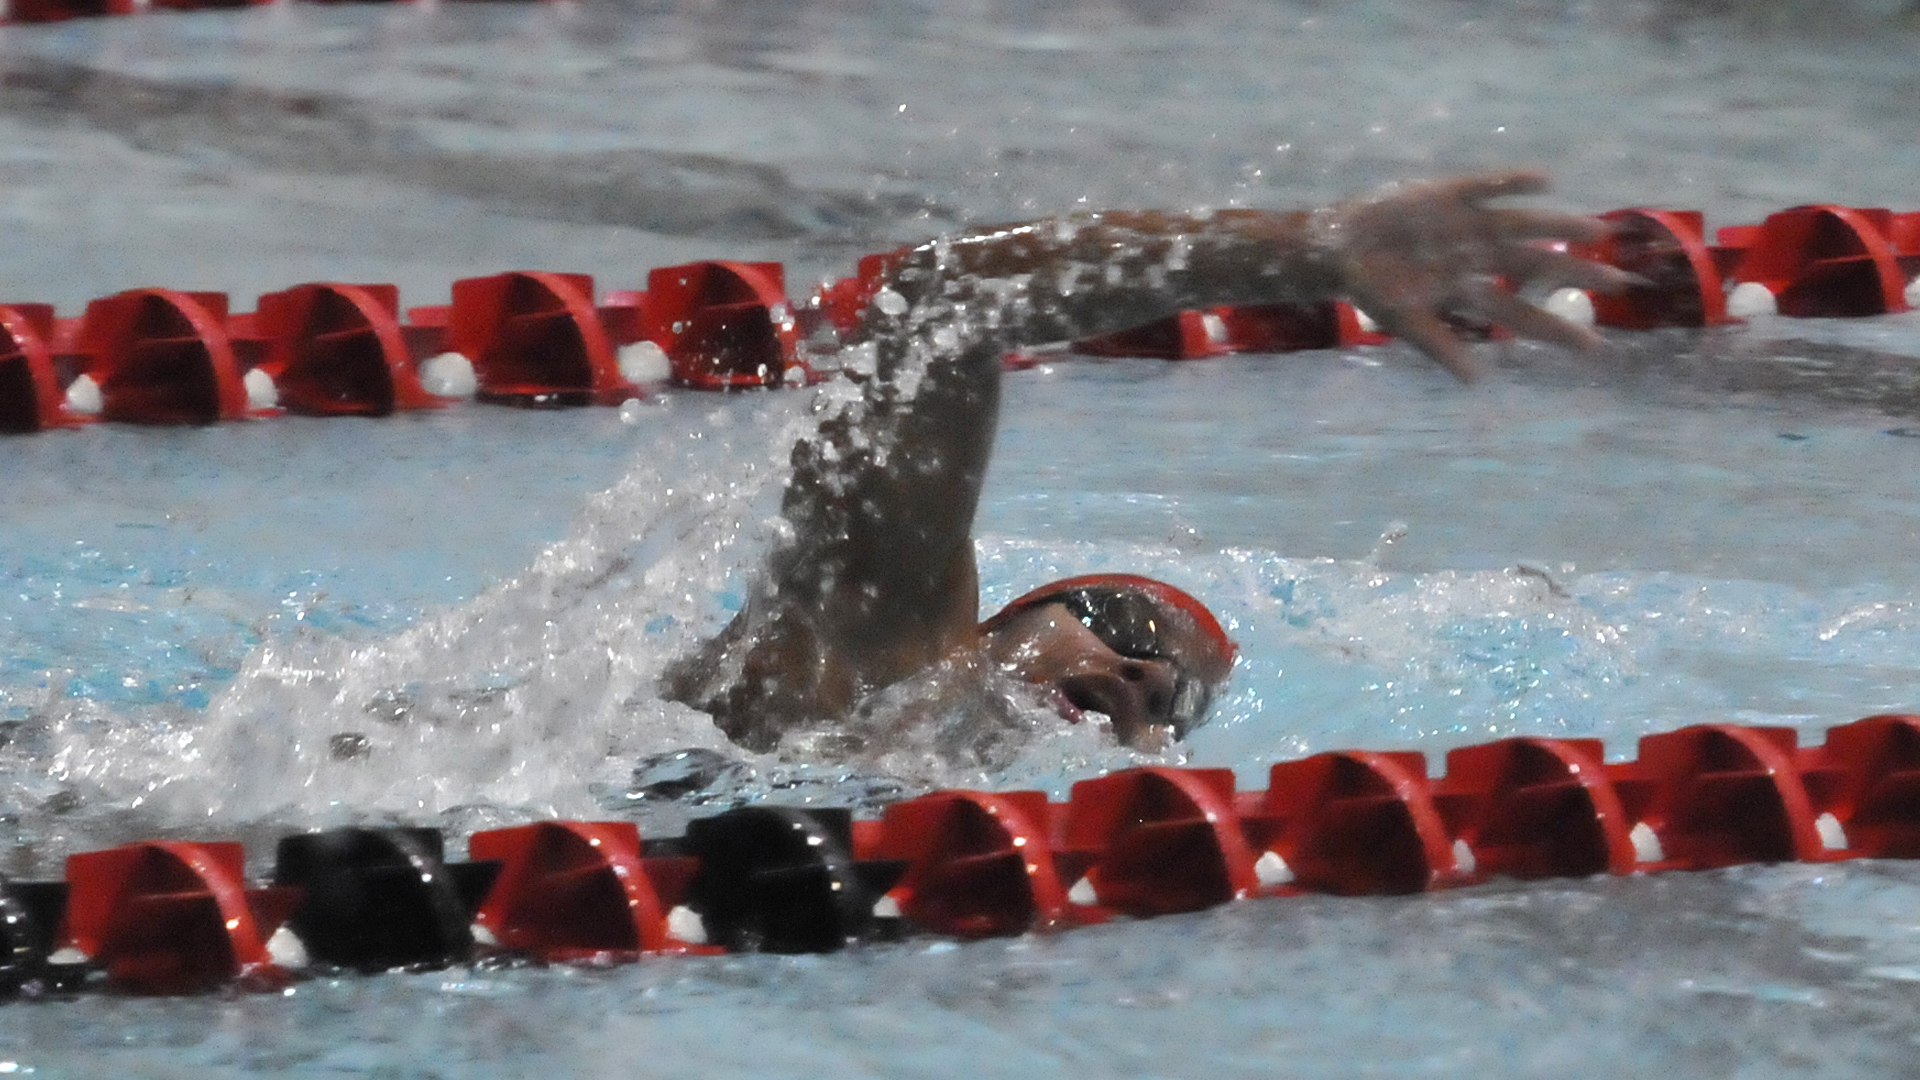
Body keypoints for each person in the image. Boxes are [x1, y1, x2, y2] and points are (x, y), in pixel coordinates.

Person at [663, 172, 1639, 752]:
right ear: (998, 623)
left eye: (1170, 695)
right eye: (1115, 627)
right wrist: (1308, 254)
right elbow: (940, 297)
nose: (1135, 670)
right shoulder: (869, 644)